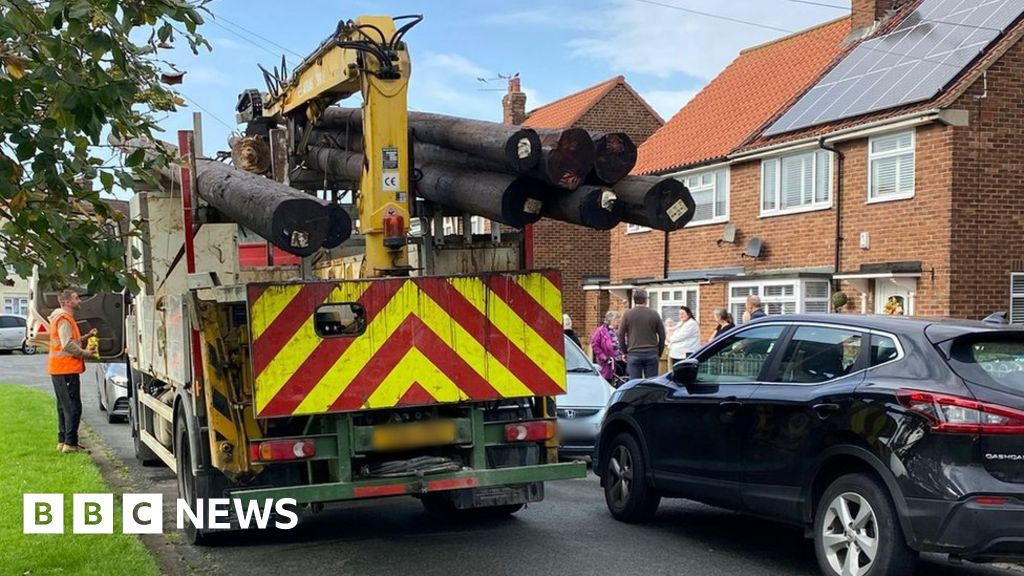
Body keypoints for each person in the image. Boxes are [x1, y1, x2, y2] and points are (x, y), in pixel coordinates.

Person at [48, 289, 97, 454]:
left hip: (59, 369)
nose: (79, 300)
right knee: (73, 407)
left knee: (63, 406)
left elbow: (71, 340)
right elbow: (67, 344)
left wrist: (85, 337)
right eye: (76, 298)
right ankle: (71, 443)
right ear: (67, 302)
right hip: (66, 368)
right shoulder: (64, 319)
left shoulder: (62, 318)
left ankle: (63, 441)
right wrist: (86, 354)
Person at [618, 289, 666, 379]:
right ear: (645, 300)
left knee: (635, 384)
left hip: (634, 353)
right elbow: (662, 336)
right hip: (652, 353)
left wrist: (624, 351)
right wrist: (659, 352)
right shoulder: (654, 314)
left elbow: (620, 335)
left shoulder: (627, 314)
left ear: (634, 300)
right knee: (651, 383)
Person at [590, 310, 622, 383]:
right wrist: (603, 357)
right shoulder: (600, 331)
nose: (619, 323)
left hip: (619, 361)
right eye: (617, 321)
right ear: (612, 321)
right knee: (607, 381)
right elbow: (595, 345)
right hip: (607, 362)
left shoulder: (618, 331)